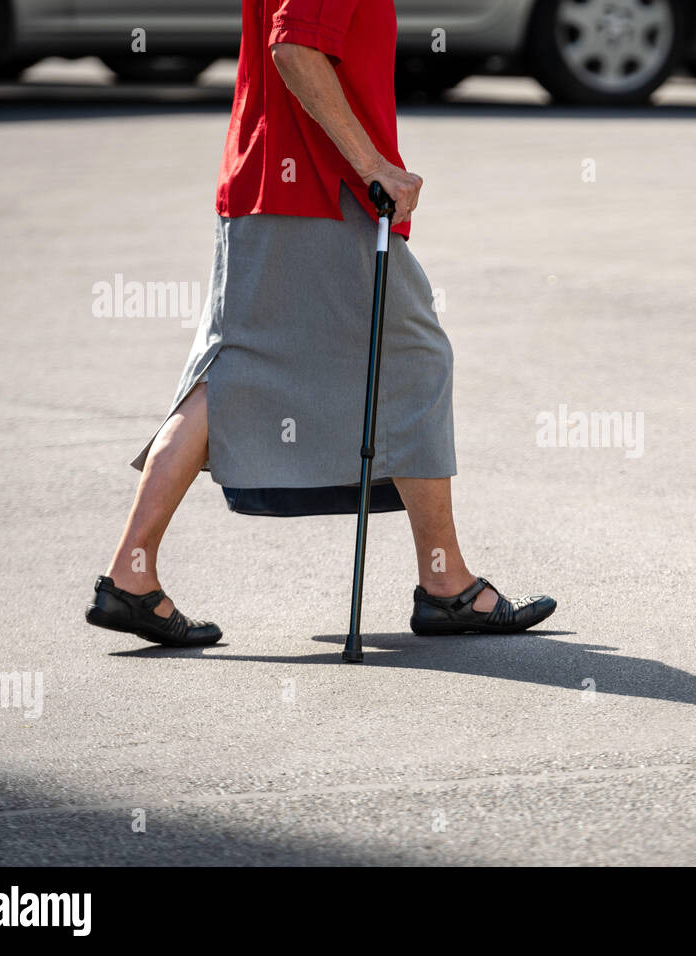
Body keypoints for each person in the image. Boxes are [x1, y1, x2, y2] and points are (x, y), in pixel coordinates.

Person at [86, 0, 555, 647]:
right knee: (408, 359)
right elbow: (295, 49)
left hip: (284, 185)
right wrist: (372, 166)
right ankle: (446, 587)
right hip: (314, 190)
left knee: (238, 369)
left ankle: (130, 576)